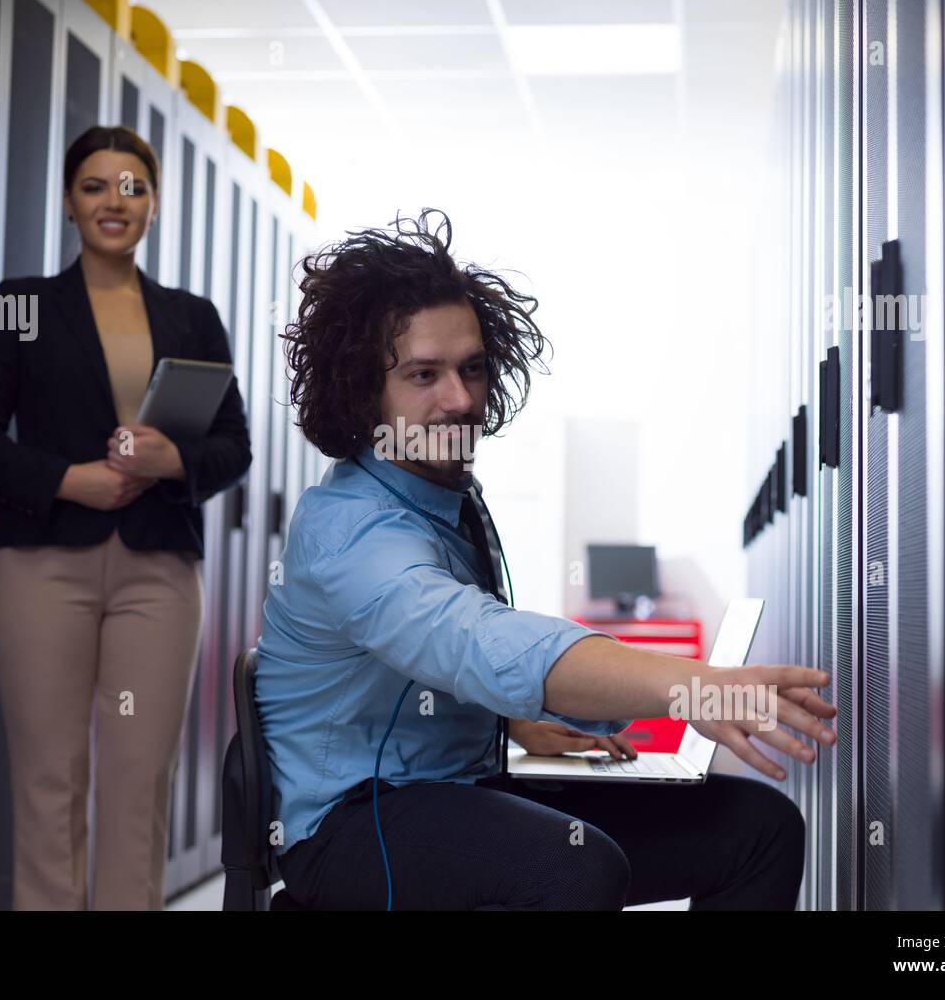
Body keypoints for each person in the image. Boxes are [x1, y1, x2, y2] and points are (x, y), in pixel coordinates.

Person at [254, 208, 836, 910]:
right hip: (351, 831)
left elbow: (435, 666)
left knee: (759, 828)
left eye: (471, 369)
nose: (461, 399)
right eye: (423, 375)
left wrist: (514, 723)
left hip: (449, 790)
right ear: (363, 390)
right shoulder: (353, 534)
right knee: (574, 867)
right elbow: (476, 638)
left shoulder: (441, 499)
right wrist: (693, 686)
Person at [0, 125, 251, 909]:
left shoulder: (193, 317)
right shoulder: (22, 304)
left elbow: (233, 446)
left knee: (139, 780)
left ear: (153, 205)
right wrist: (67, 479)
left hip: (160, 568)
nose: (115, 201)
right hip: (42, 563)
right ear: (68, 203)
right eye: (95, 186)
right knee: (49, 779)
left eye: (133, 187)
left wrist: (171, 463)